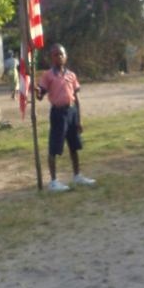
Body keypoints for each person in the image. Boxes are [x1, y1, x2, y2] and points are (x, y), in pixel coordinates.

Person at [36, 44, 96, 192]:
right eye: (56, 55)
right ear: (52, 58)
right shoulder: (48, 75)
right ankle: (54, 181)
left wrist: (79, 119)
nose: (59, 57)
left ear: (66, 56)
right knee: (55, 147)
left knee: (74, 145)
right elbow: (40, 95)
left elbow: (76, 97)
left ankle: (77, 175)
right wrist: (35, 90)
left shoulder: (71, 75)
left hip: (72, 112)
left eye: (61, 54)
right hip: (58, 114)